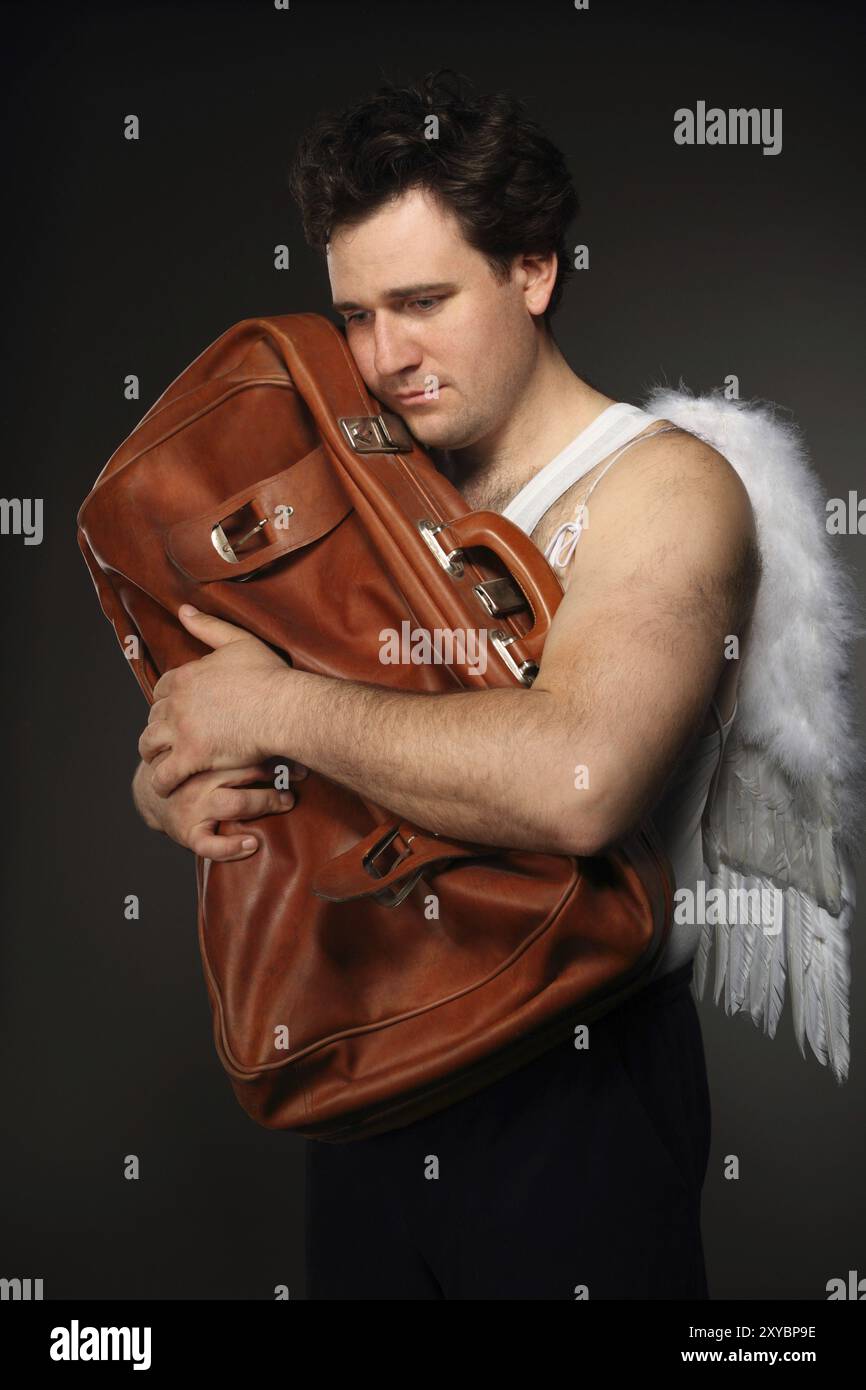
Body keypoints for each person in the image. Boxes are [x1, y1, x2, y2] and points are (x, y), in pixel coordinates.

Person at [131, 70, 761, 1299]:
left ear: (532, 270)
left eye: (421, 302)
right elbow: (271, 736)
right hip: (363, 1053)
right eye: (355, 317)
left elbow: (576, 784)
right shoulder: (369, 489)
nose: (382, 357)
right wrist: (184, 774)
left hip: (568, 1075)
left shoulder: (662, 489)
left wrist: (272, 707)